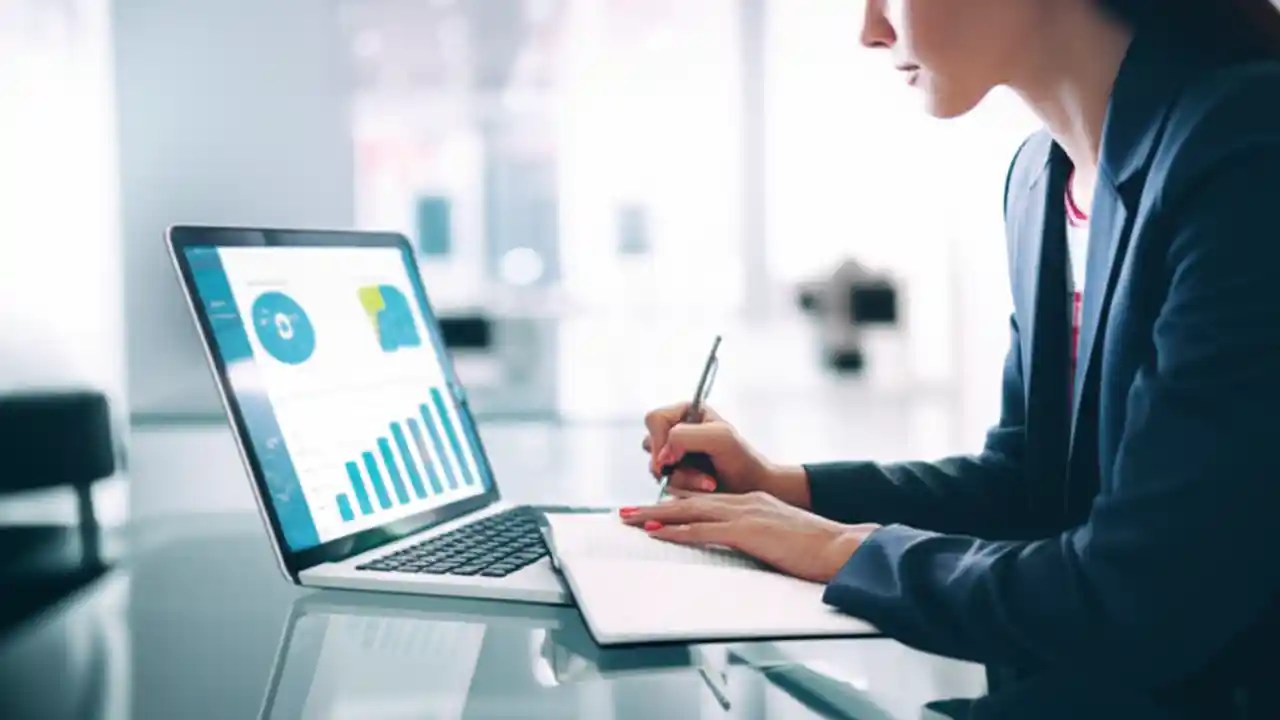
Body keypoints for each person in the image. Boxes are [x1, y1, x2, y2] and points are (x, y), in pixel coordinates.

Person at [621, 0, 1280, 711]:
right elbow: (1025, 487)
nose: (870, 30)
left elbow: (1146, 590)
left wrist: (840, 550)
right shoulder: (1040, 178)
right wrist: (784, 489)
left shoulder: (1246, 146)